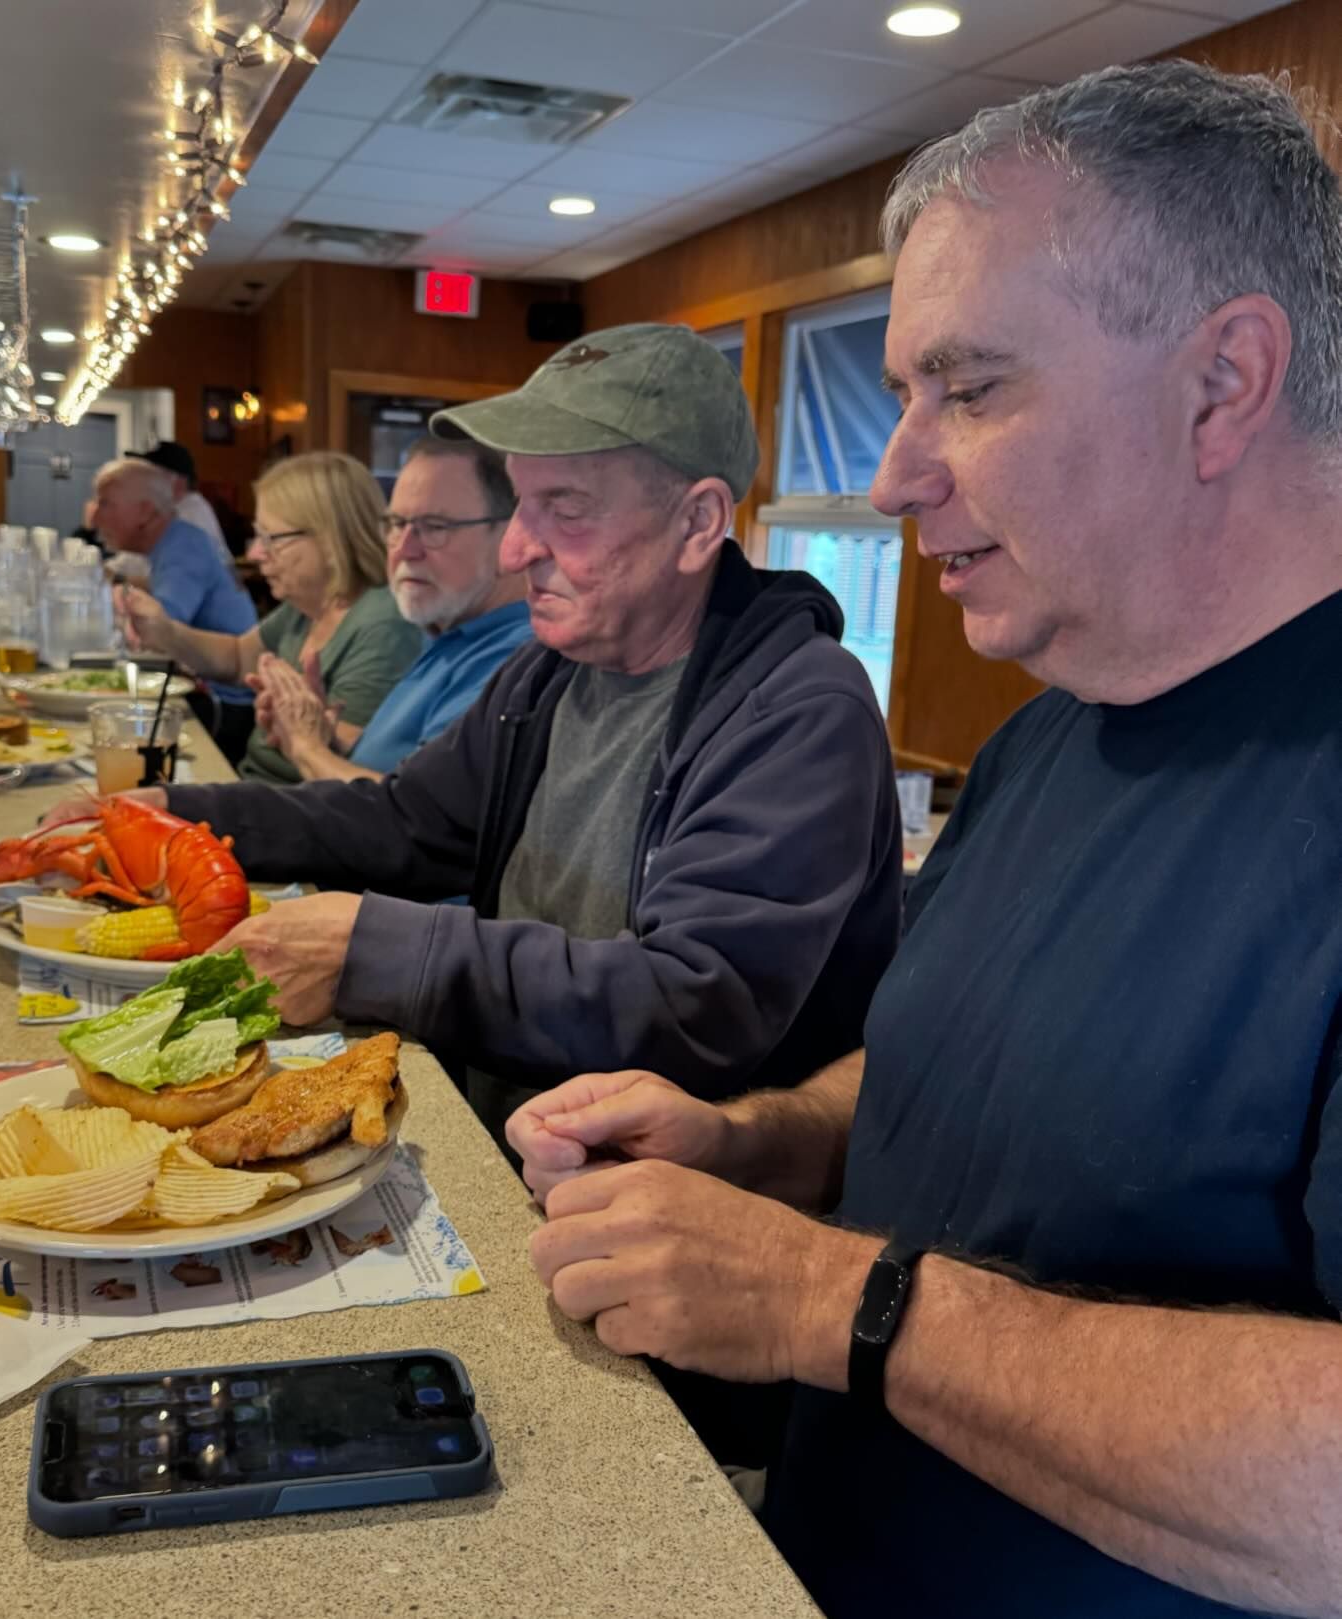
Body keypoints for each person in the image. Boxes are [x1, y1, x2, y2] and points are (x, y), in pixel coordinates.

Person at [511, 62, 1342, 1619]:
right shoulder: (1044, 729)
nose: (893, 476)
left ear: (1222, 381)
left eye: (967, 389)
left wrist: (834, 1296)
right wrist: (757, 1142)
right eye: (901, 396)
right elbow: (941, 1068)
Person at [58, 323, 902, 1158]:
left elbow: (693, 1004)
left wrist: (373, 948)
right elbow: (405, 823)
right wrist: (174, 811)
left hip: (653, 1196)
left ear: (696, 522)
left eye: (562, 510)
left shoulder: (798, 707)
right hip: (491, 1123)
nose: (514, 548)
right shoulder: (550, 670)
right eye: (519, 504)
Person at [116, 451, 422, 779]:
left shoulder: (383, 625)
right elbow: (236, 658)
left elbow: (351, 783)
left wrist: (307, 736)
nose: (256, 554)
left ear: (331, 539)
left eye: (271, 538)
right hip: (256, 788)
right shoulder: (308, 607)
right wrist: (165, 632)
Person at [253, 437, 532, 782]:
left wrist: (307, 748)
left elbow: (416, 819)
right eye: (397, 524)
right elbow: (392, 773)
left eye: (435, 527)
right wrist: (326, 740)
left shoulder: (512, 658)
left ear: (510, 537)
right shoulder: (445, 629)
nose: (405, 550)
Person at [90, 458, 256, 744]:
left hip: (226, 706)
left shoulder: (184, 548)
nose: (94, 518)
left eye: (106, 504)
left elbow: (157, 631)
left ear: (144, 511)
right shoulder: (177, 541)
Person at [127, 440, 233, 568]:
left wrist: (119, 577)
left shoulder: (190, 514)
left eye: (151, 474)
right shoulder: (168, 510)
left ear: (178, 481)